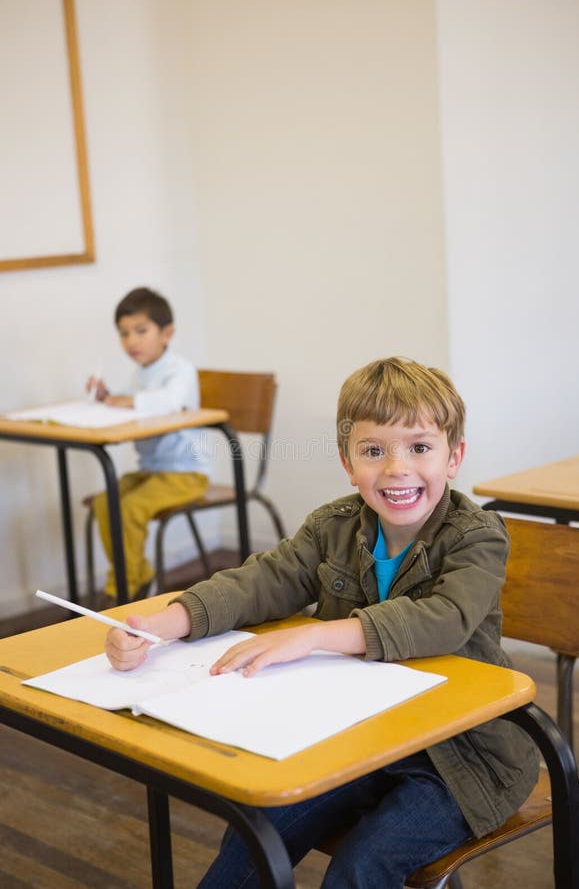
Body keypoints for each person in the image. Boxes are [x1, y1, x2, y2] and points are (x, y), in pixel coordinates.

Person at [105, 356, 539, 888]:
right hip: (360, 741)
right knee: (256, 833)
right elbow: (263, 579)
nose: (397, 468)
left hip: (463, 761)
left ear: (454, 457)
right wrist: (162, 624)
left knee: (361, 865)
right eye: (374, 451)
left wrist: (314, 634)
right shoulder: (332, 526)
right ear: (347, 462)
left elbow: (445, 619)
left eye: (420, 448)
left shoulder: (478, 535)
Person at [87, 287, 210, 601]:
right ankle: (138, 575)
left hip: (185, 473)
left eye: (141, 331)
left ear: (166, 333)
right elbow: (131, 403)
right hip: (152, 471)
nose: (132, 341)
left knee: (129, 507)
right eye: (124, 333)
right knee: (105, 503)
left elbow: (167, 403)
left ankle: (123, 588)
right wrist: (106, 397)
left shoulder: (179, 371)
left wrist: (126, 401)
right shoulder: (139, 374)